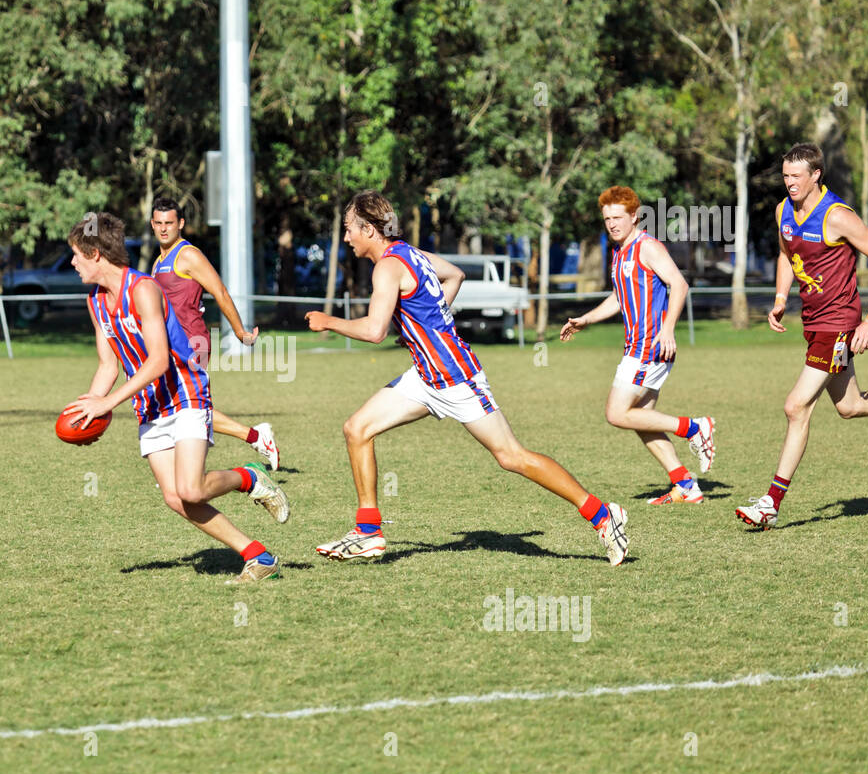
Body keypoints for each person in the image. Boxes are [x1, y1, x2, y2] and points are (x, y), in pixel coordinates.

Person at [305, 190, 630, 566]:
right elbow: (454, 275)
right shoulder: (408, 252)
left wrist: (328, 321)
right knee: (357, 429)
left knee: (512, 457)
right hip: (425, 377)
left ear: (369, 229)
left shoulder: (386, 267)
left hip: (456, 377)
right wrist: (426, 324)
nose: (347, 237)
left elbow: (375, 330)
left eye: (349, 229)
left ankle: (603, 515)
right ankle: (367, 532)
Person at [63, 212, 289, 584]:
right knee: (176, 498)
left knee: (191, 488)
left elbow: (158, 361)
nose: (72, 263)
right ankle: (259, 557)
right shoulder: (96, 302)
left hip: (185, 392)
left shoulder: (143, 289)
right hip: (149, 406)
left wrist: (107, 403)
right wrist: (88, 409)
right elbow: (107, 365)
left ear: (95, 254)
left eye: (76, 254)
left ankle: (249, 477)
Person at [736, 143, 868, 529]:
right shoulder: (783, 211)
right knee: (849, 406)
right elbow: (787, 255)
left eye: (796, 176)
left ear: (816, 175)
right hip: (814, 322)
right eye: (785, 176)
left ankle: (770, 504)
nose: (789, 182)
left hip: (838, 323)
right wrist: (779, 298)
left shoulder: (837, 216)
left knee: (796, 406)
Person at [560, 186, 716, 504]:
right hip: (636, 347)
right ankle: (685, 484)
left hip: (650, 347)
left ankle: (695, 428)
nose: (612, 224)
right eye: (607, 219)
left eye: (618, 217)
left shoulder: (648, 247)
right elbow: (619, 297)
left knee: (616, 413)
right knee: (641, 418)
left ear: (635, 216)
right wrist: (586, 320)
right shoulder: (619, 253)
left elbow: (679, 285)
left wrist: (668, 329)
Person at [149, 197, 280, 470]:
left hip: (191, 342)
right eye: (159, 223)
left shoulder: (188, 255)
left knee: (189, 407)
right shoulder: (157, 262)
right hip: (168, 344)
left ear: (180, 223)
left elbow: (220, 291)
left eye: (169, 223)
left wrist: (240, 332)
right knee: (177, 405)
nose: (163, 228)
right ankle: (255, 437)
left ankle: (252, 439)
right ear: (152, 224)